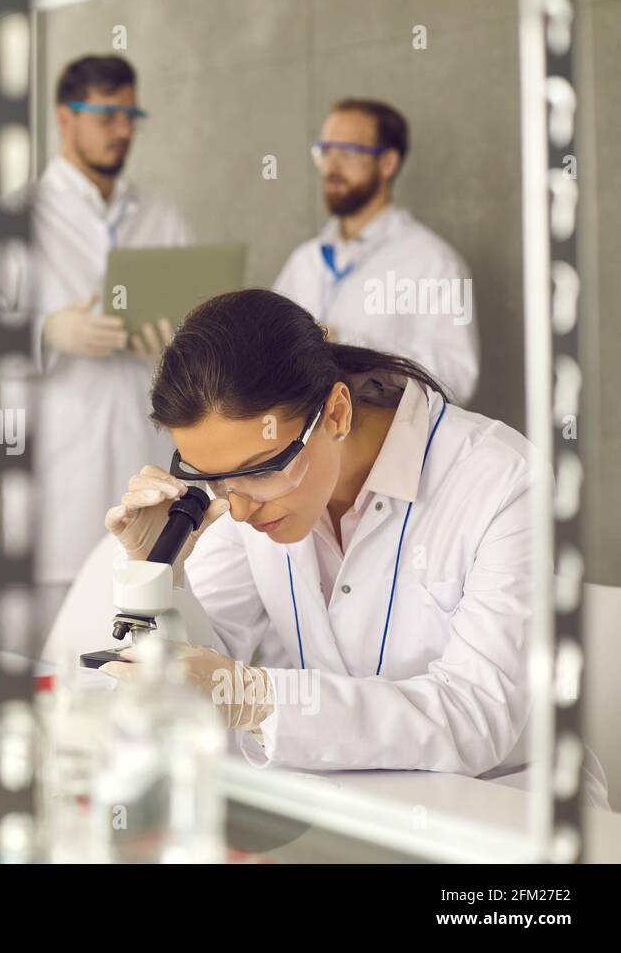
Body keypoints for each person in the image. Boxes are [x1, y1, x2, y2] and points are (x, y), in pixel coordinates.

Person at [102, 289, 608, 808]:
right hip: (345, 798)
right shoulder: (245, 487)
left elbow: (475, 717)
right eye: (214, 481)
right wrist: (157, 572)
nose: (237, 511)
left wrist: (255, 698)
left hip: (507, 797)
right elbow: (198, 669)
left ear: (337, 414)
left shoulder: (502, 479)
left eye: (259, 471)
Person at [0, 54, 193, 628]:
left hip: (145, 481)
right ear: (65, 117)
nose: (123, 130)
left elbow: (205, 337)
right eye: (107, 115)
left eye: (131, 114)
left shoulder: (163, 219)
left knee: (136, 667)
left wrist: (175, 343)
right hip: (55, 495)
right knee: (43, 675)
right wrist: (45, 332)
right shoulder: (16, 219)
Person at [274, 98, 479, 404]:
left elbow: (458, 378)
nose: (331, 166)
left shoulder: (435, 261)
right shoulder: (304, 260)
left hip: (389, 445)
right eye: (325, 152)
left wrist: (350, 347)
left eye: (346, 152)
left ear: (387, 163)